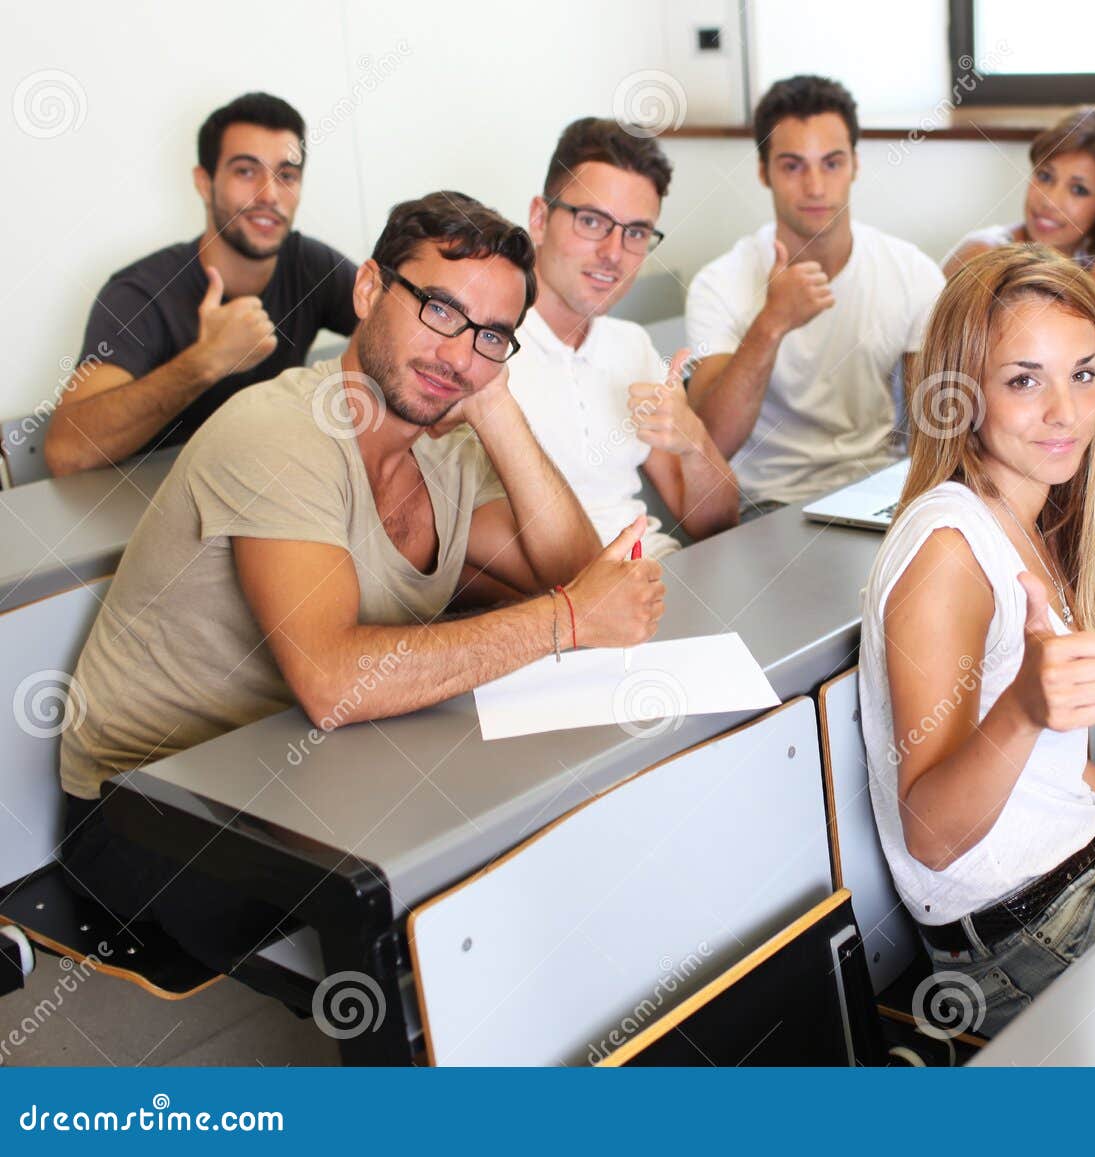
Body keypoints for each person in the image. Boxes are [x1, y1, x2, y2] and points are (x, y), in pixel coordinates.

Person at [58, 191, 665, 974]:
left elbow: (582, 576)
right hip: (152, 812)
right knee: (453, 941)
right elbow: (332, 677)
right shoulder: (280, 431)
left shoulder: (449, 442)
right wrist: (567, 620)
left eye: (491, 335)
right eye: (440, 311)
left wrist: (497, 406)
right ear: (370, 290)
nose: (457, 355)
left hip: (307, 773)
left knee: (557, 854)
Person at [859, 245, 1095, 1036]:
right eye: (1024, 379)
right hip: (1016, 940)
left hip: (1077, 875)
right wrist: (1027, 706)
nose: (1065, 411)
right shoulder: (947, 553)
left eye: (1084, 373)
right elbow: (932, 834)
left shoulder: (1024, 515)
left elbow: (1041, 766)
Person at [45, 92, 361, 476]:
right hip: (148, 510)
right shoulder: (141, 293)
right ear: (204, 181)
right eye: (246, 171)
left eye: (287, 175)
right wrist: (207, 361)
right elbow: (66, 451)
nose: (270, 195)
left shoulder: (312, 265)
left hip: (268, 491)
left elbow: (394, 335)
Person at [686, 75, 945, 514]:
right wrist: (772, 322)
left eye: (831, 163)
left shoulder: (911, 271)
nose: (815, 187)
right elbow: (711, 441)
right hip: (767, 504)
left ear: (855, 165)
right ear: (763, 171)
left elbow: (938, 426)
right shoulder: (718, 283)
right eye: (792, 166)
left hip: (878, 491)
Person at [512, 117, 738, 557]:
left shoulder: (631, 345)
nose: (613, 254)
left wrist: (694, 441)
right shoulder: (483, 348)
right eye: (592, 221)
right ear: (539, 219)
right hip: (559, 601)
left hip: (657, 574)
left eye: (635, 232)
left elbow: (717, 523)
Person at [942, 107, 1095, 371]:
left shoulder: (1082, 266)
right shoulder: (983, 253)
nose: (1050, 200)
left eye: (1078, 190)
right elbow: (1041, 364)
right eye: (1045, 176)